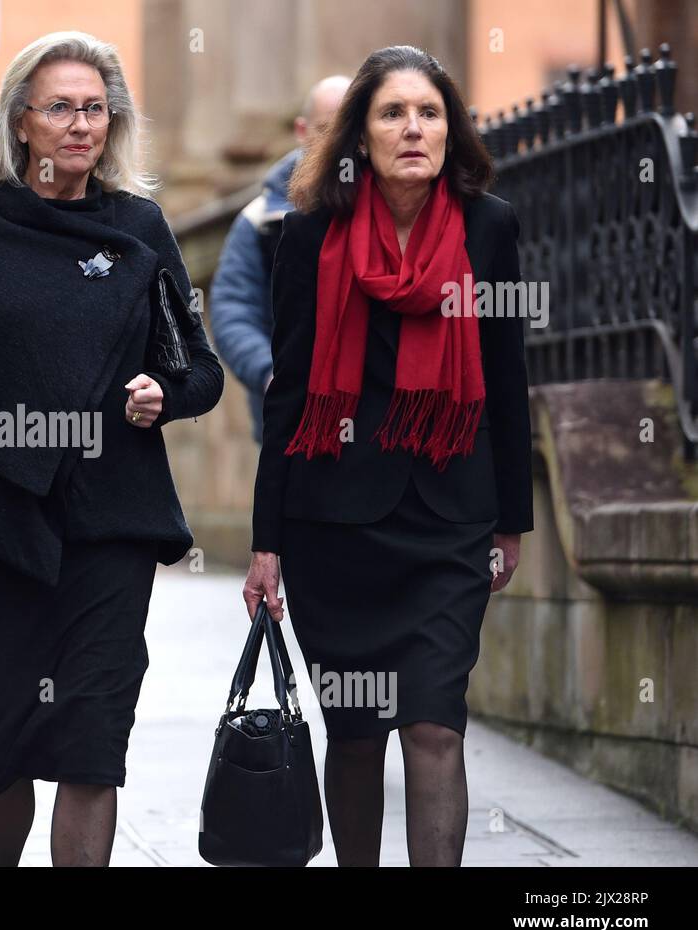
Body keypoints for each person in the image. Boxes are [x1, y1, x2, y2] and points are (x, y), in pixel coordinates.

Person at [0, 30, 223, 867]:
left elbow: (200, 369)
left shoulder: (139, 226)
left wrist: (164, 392)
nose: (81, 125)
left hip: (112, 519)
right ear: (22, 123)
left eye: (96, 108)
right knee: (0, 740)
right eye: (61, 108)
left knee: (92, 736)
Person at [242, 45, 533, 866]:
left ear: (452, 130)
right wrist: (266, 545)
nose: (413, 128)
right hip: (334, 523)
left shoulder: (490, 227)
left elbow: (507, 379)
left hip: (450, 518)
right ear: (358, 135)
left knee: (436, 723)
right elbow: (288, 394)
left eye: (430, 112)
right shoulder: (309, 234)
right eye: (392, 113)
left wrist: (512, 521)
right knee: (359, 730)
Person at [210, 75, 349, 443]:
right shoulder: (260, 221)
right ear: (301, 130)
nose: (338, 142)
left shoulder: (392, 212)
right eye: (326, 128)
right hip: (291, 424)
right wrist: (271, 374)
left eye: (349, 127)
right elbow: (233, 311)